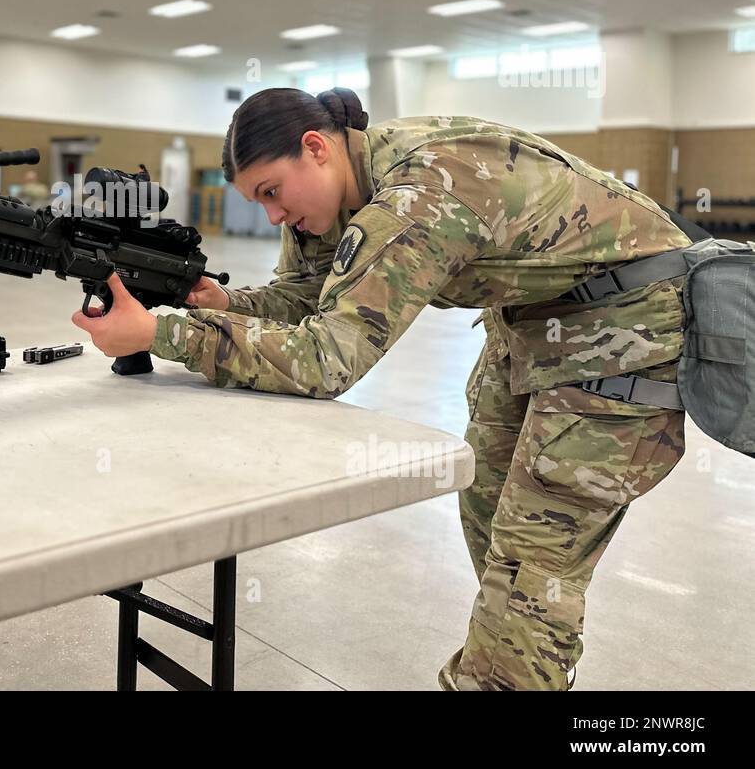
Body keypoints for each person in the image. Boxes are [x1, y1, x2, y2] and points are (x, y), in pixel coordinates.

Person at [71, 87, 691, 691]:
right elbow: (307, 301)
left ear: (316, 147)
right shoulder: (337, 193)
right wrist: (224, 304)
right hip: (533, 320)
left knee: (535, 558)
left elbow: (328, 358)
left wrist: (162, 331)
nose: (273, 216)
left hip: (630, 324)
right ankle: (526, 658)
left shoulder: (418, 195)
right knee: (489, 515)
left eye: (271, 193)